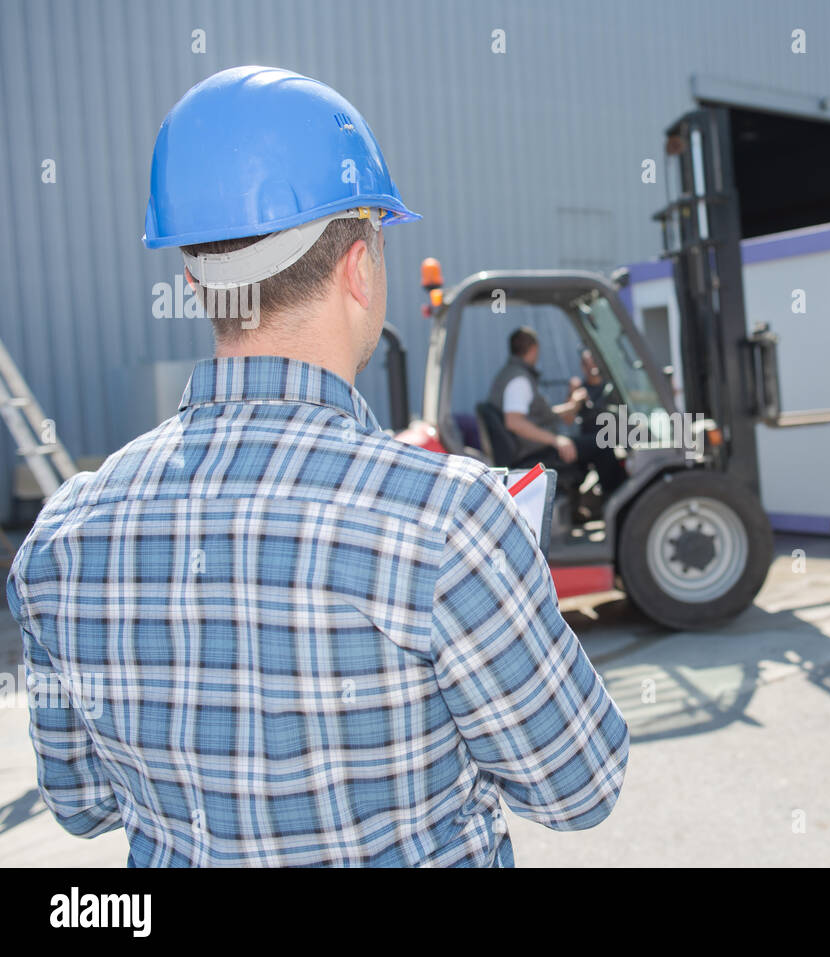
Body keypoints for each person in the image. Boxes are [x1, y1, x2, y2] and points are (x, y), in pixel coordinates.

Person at [5, 65, 628, 868]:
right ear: (360, 268)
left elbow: (82, 804)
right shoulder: (450, 521)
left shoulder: (63, 536)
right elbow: (579, 788)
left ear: (196, 281)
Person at [489, 328, 626, 499]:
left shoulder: (510, 375)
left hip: (531, 448)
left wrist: (572, 405)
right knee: (602, 443)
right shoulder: (520, 380)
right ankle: (616, 500)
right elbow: (514, 422)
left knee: (588, 444)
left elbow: (536, 416)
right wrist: (557, 440)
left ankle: (579, 502)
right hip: (535, 453)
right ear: (533, 349)